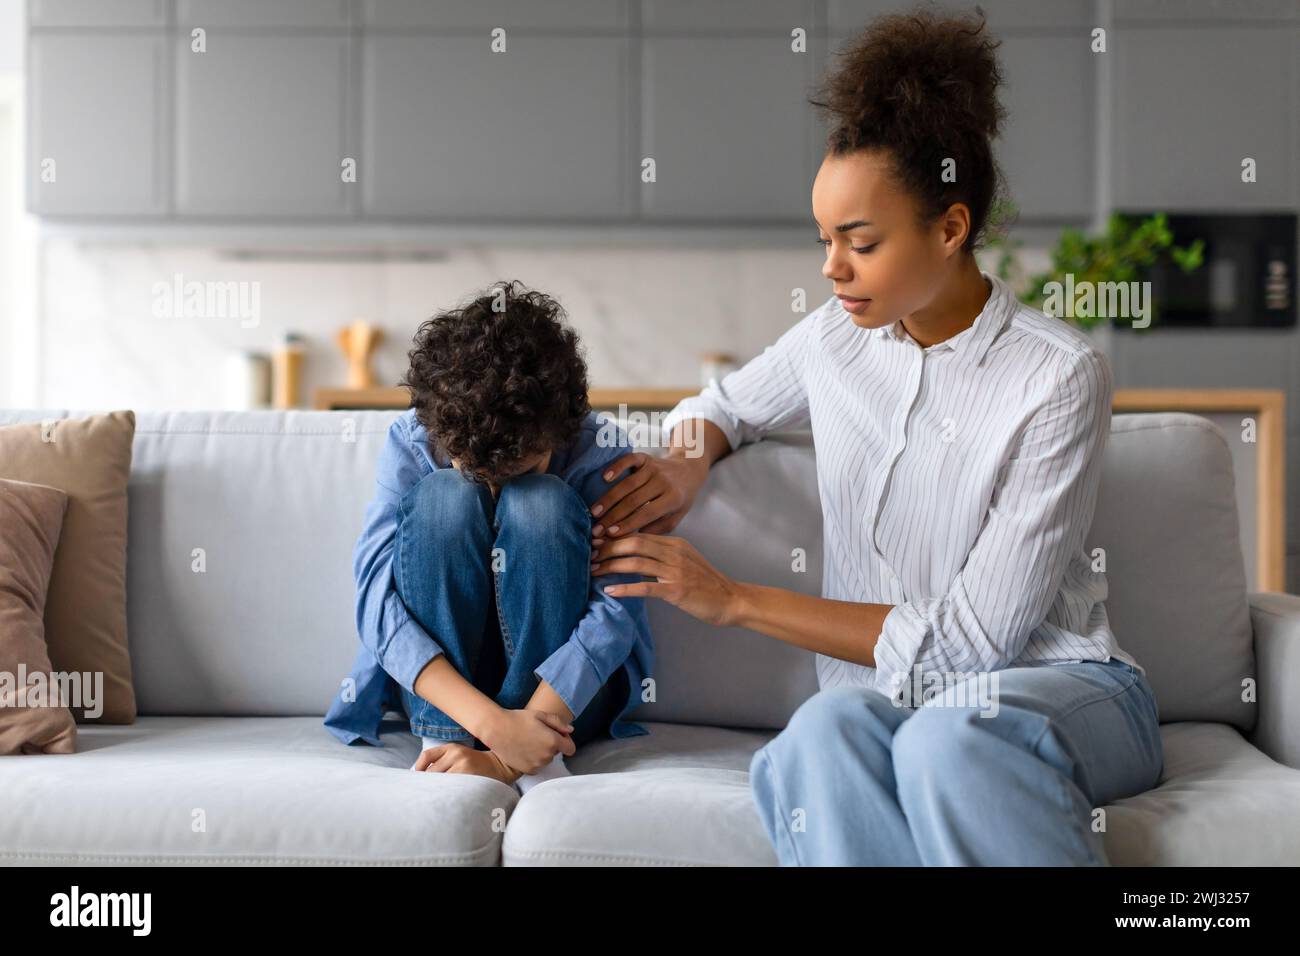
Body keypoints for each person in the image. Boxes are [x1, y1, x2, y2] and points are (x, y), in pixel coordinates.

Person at [586, 9, 1162, 864]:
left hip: (1063, 687)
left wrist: (738, 599)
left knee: (951, 737)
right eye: (824, 240)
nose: (831, 268)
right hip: (895, 701)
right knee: (822, 733)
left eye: (860, 241)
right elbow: (724, 404)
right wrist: (687, 458)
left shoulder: (1057, 376)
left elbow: (974, 644)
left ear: (951, 228)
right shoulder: (833, 338)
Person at [324, 280, 654, 796]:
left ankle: (529, 755)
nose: (496, 493)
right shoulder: (412, 441)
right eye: (481, 472)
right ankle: (451, 743)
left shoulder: (599, 450)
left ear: (560, 431)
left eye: (521, 466)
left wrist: (508, 756)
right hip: (451, 695)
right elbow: (375, 600)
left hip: (562, 701)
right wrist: (494, 727)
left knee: (540, 502)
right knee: (446, 497)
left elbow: (618, 609)